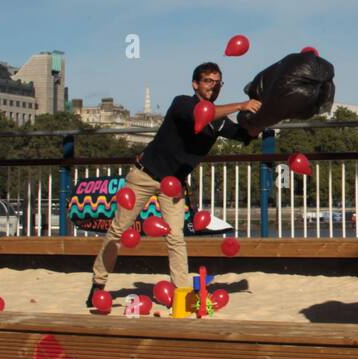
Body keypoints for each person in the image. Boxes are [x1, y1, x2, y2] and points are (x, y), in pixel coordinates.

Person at [87, 62, 261, 307]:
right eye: (208, 81)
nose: (214, 86)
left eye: (218, 82)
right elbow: (204, 114)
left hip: (174, 185)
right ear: (195, 84)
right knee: (118, 230)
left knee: (176, 237)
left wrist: (266, 115)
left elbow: (246, 134)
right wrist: (241, 105)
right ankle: (98, 283)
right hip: (145, 175)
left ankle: (181, 293)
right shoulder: (182, 103)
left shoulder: (220, 122)